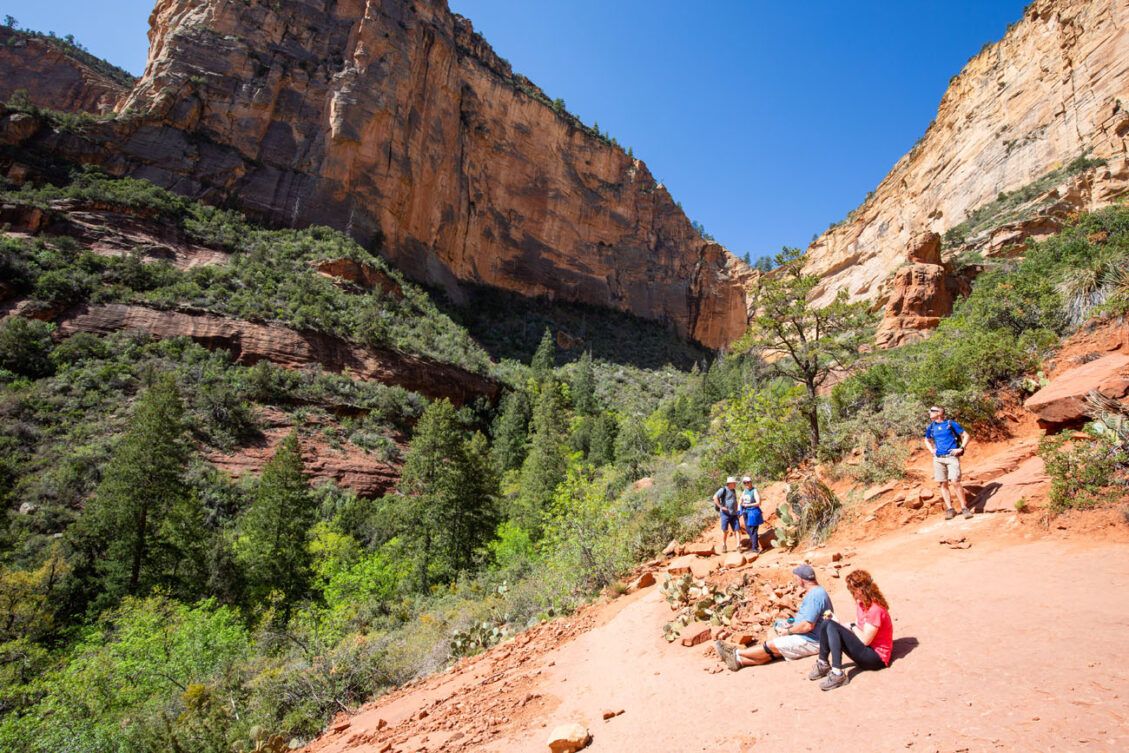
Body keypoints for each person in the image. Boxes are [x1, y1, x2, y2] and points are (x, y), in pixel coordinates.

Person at [715, 564, 833, 671]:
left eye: (796, 578)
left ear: (801, 579)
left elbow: (808, 625)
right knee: (773, 653)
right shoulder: (818, 591)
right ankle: (739, 661)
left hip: (812, 640)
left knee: (772, 645)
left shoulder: (815, 596)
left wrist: (788, 631)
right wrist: (791, 623)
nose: (795, 581)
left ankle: (736, 653)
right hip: (812, 637)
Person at [808, 569, 893, 691]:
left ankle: (837, 673)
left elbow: (865, 640)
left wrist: (850, 627)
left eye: (852, 589)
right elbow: (860, 627)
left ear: (861, 589)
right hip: (867, 650)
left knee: (832, 626)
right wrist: (842, 625)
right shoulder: (861, 603)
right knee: (827, 623)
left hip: (876, 658)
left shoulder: (875, 609)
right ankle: (823, 663)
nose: (851, 592)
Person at [923, 405, 972, 520]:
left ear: (939, 413)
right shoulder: (931, 427)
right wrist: (932, 450)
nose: (929, 413)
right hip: (938, 459)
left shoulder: (950, 424)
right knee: (943, 484)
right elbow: (926, 439)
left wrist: (961, 448)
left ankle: (964, 508)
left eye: (932, 411)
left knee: (955, 481)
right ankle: (950, 509)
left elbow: (966, 435)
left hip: (951, 457)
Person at [713, 476, 741, 552]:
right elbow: (715, 497)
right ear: (729, 483)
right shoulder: (723, 490)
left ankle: (738, 546)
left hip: (734, 513)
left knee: (737, 529)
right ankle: (724, 545)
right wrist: (720, 507)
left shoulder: (733, 490)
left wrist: (738, 510)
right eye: (734, 483)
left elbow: (735, 501)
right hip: (725, 514)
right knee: (725, 530)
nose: (735, 484)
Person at [738, 476, 763, 552]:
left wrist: (748, 505)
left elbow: (758, 503)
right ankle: (754, 545)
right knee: (748, 530)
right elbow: (740, 499)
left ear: (751, 482)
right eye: (745, 483)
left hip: (753, 512)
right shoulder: (745, 491)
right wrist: (739, 509)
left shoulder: (754, 491)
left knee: (753, 529)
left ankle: (755, 548)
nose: (746, 484)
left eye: (748, 482)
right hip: (746, 512)